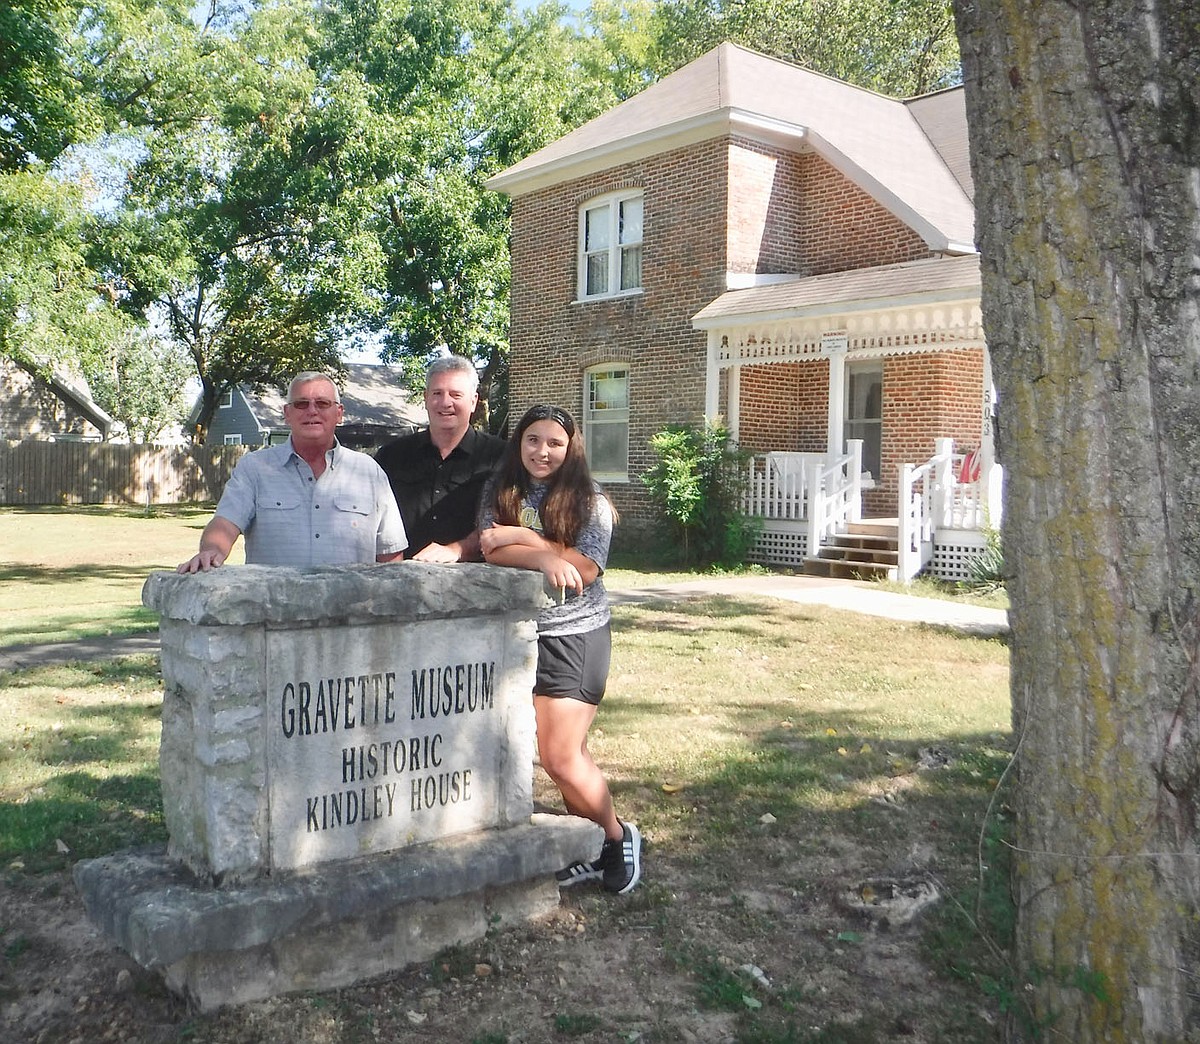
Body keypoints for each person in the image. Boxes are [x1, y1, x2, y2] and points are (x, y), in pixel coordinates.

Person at [479, 403, 640, 895]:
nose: (542, 451)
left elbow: (584, 569)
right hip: (521, 637)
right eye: (532, 440)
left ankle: (617, 839)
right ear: (519, 442)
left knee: (561, 756)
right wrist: (546, 554)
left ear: (571, 448)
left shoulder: (589, 500)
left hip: (576, 636)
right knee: (555, 753)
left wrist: (524, 536)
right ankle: (588, 847)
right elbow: (490, 547)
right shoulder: (501, 487)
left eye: (554, 442)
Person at [178, 371, 407, 572]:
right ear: (287, 414)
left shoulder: (369, 472)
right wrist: (211, 551)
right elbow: (225, 523)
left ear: (339, 413)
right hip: (274, 614)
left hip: (350, 615)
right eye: (301, 404)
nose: (312, 411)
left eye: (322, 403)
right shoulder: (255, 469)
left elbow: (390, 554)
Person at [374, 355, 505, 563]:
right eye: (437, 393)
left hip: (476, 584)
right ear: (426, 398)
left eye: (456, 394)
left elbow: (504, 523)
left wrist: (458, 549)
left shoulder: (502, 457)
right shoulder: (391, 456)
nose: (445, 402)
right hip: (402, 581)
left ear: (473, 402)